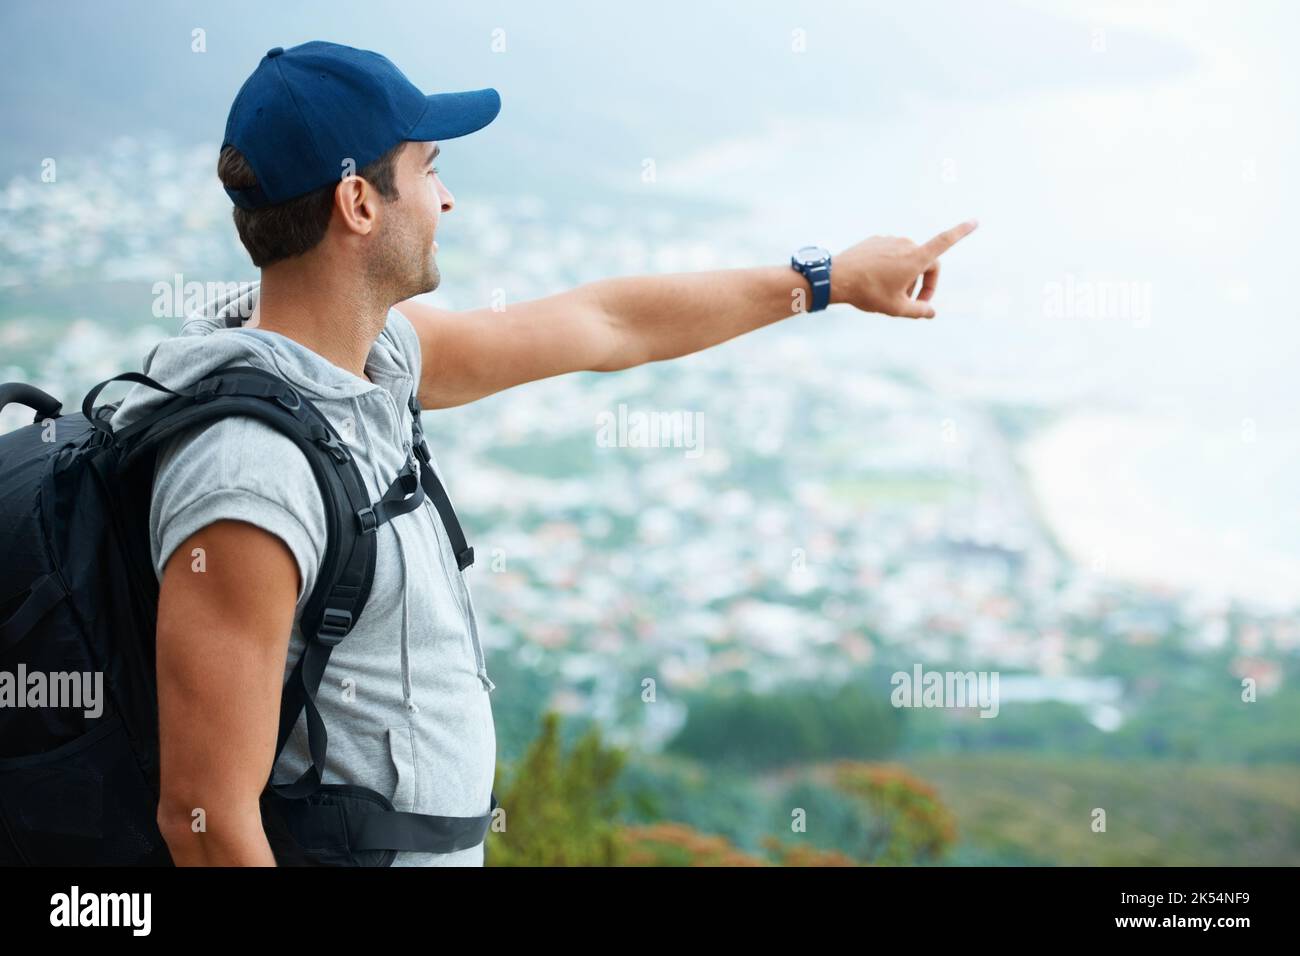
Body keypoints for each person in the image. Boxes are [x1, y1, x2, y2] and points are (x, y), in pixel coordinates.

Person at [109, 40, 977, 866]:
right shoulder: (247, 479)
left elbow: (607, 323)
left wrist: (824, 281)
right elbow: (207, 824)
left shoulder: (375, 357)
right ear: (359, 204)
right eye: (429, 170)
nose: (447, 201)